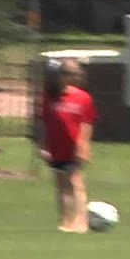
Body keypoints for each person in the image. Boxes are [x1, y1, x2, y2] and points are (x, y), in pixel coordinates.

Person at [36, 58, 98, 233]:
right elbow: (43, 124)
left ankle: (81, 222)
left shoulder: (83, 98)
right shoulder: (48, 98)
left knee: (75, 182)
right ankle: (66, 221)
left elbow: (86, 125)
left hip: (74, 149)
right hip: (56, 147)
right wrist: (43, 146)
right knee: (61, 185)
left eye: (71, 74)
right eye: (64, 74)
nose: (67, 77)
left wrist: (83, 146)